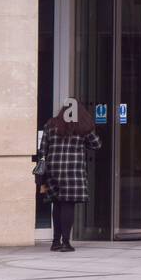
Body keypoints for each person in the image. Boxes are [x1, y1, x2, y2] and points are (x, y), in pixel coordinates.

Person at [37, 103, 102, 252]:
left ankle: (55, 242)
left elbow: (43, 150)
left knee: (57, 204)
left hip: (54, 169)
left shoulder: (51, 124)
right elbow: (96, 144)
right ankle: (66, 242)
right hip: (73, 171)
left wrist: (40, 171)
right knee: (68, 205)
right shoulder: (82, 127)